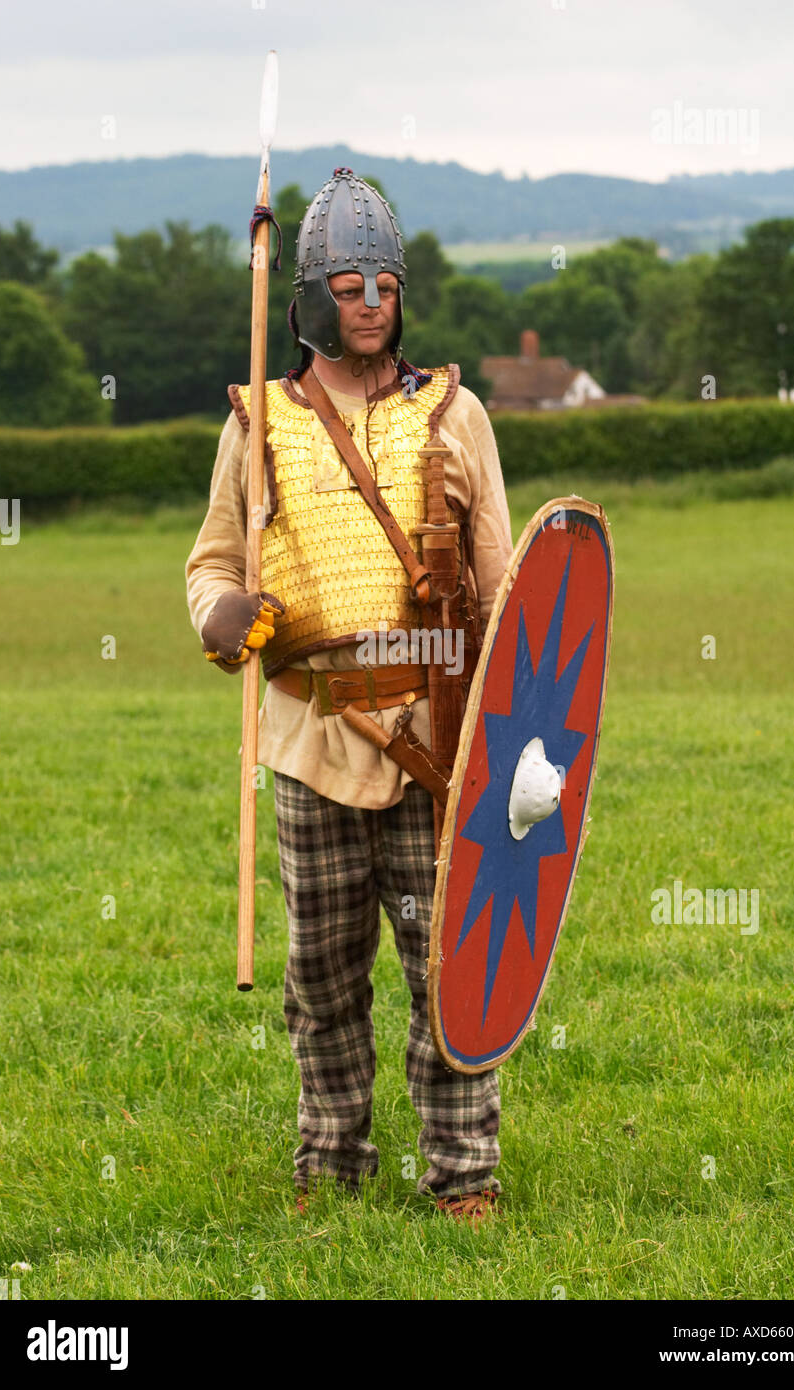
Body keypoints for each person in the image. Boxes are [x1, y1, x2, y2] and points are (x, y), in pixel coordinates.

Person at [185, 169, 513, 1223]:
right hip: (311, 737)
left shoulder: (454, 414)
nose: (370, 301)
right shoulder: (259, 418)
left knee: (445, 964)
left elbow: (510, 587)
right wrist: (222, 615)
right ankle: (330, 1161)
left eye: (384, 283)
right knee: (321, 975)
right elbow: (211, 564)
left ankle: (462, 1171)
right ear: (309, 299)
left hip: (433, 740)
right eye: (348, 283)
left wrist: (515, 734)